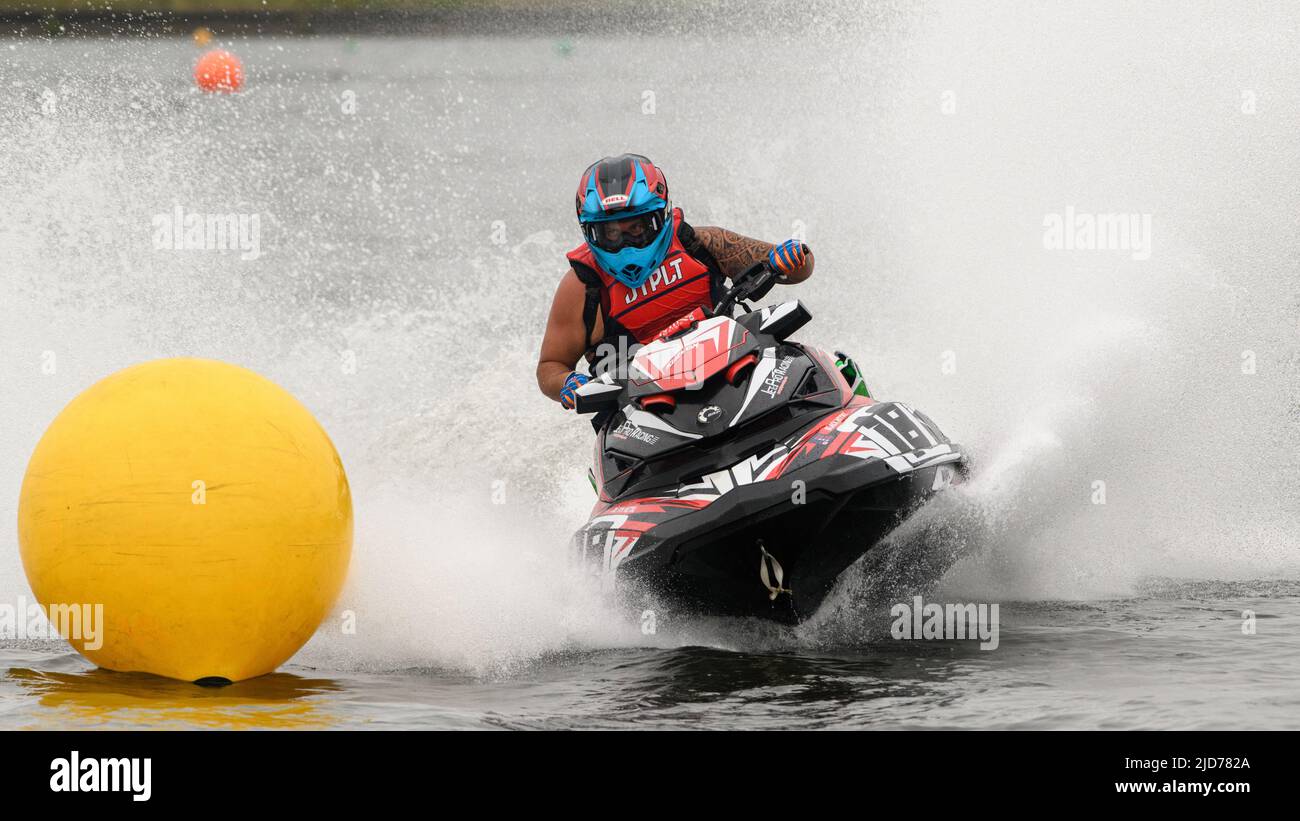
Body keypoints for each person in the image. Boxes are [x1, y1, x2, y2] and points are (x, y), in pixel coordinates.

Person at [536, 153, 864, 411]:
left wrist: (791, 257)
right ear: (590, 231)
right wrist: (568, 383)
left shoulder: (702, 244)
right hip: (640, 412)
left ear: (659, 215)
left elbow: (800, 268)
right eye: (611, 232)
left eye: (636, 227)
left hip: (736, 377)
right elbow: (551, 366)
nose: (626, 243)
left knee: (818, 363)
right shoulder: (581, 286)